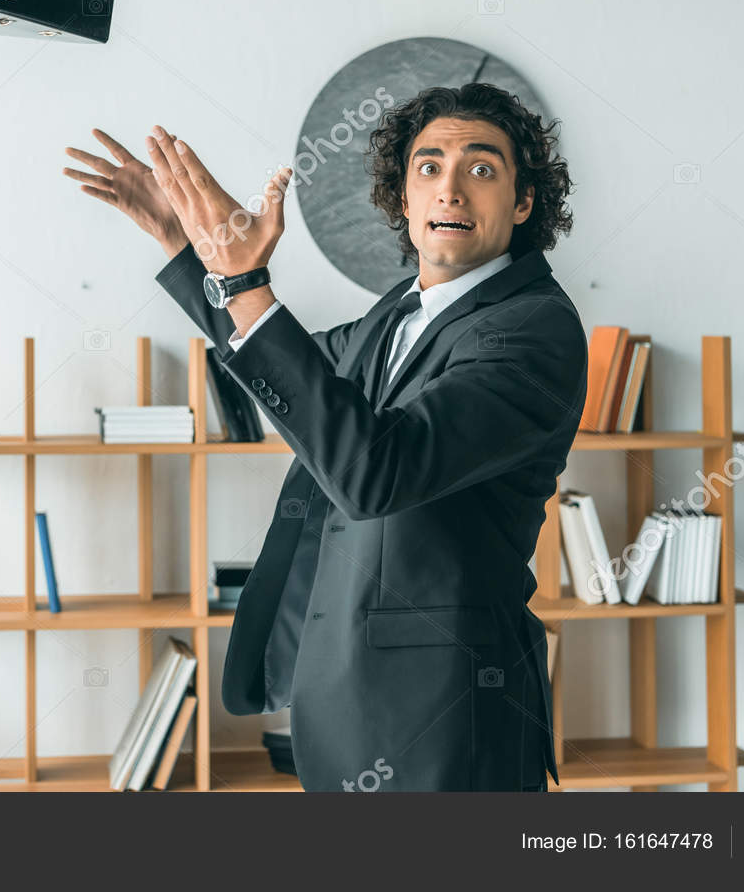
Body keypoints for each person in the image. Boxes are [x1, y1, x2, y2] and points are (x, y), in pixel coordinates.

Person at [61, 81, 587, 791]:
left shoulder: (533, 329)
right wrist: (191, 248)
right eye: (428, 167)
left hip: (448, 719)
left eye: (482, 169)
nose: (450, 190)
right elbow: (292, 371)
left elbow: (377, 475)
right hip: (343, 703)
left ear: (524, 203)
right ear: (403, 199)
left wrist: (245, 276)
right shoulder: (400, 310)